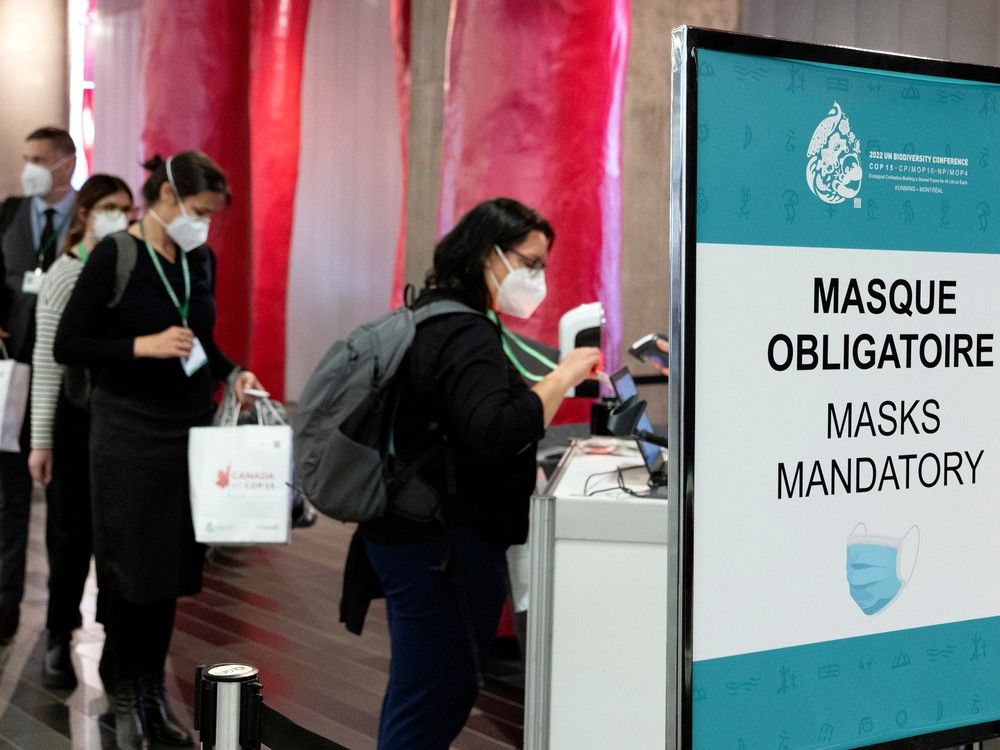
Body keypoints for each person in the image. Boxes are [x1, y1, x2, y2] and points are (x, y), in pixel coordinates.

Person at [361, 197, 601, 748]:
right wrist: (563, 377)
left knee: (420, 690)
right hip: (438, 545)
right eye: (530, 262)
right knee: (434, 696)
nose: (537, 277)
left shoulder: (444, 315)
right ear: (487, 255)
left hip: (418, 534)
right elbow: (496, 431)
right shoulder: (464, 333)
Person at [54, 152, 260, 750]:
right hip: (127, 431)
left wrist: (234, 371)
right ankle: (125, 694)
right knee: (130, 570)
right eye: (198, 213)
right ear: (166, 197)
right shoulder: (117, 255)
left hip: (188, 429)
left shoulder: (199, 258)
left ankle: (151, 693)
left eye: (211, 217)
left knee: (170, 571)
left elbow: (200, 340)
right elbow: (71, 342)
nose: (205, 227)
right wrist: (140, 346)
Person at [29, 174, 133, 689]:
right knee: (69, 540)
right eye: (108, 206)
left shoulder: (128, 269)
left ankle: (115, 641)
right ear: (86, 213)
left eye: (125, 207)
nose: (118, 215)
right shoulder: (66, 274)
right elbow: (49, 364)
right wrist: (41, 439)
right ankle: (57, 638)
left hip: (119, 422)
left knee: (116, 538)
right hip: (74, 422)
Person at [0, 126, 78, 645]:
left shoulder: (93, 217)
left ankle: (61, 623)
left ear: (66, 163)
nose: (29, 167)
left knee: (66, 507)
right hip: (10, 375)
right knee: (8, 498)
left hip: (66, 377)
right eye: (25, 157)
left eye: (39, 159)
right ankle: (5, 607)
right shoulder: (8, 212)